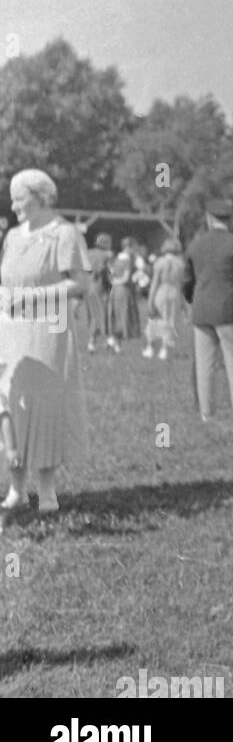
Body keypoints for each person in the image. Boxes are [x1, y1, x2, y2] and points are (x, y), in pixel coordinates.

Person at [0, 170, 90, 515]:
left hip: (49, 326)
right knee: (12, 403)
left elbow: (80, 284)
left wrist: (32, 297)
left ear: (39, 197)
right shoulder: (12, 236)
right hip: (11, 327)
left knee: (44, 405)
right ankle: (16, 487)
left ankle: (47, 490)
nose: (13, 206)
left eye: (19, 198)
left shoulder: (64, 233)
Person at [183, 198, 233, 422]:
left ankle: (206, 413)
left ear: (209, 218)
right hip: (229, 309)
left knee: (205, 364)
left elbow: (187, 281)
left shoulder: (196, 244)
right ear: (230, 220)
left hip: (201, 309)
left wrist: (193, 301)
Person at [145, 238, 186, 361]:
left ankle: (150, 347)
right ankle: (165, 349)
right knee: (171, 321)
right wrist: (184, 304)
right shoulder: (180, 264)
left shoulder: (159, 262)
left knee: (155, 320)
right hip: (174, 292)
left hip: (161, 291)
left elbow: (155, 282)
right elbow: (181, 284)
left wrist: (150, 299)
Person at [104, 236, 141, 350]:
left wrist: (114, 282)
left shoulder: (116, 259)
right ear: (129, 247)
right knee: (124, 316)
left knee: (116, 316)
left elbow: (110, 274)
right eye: (134, 248)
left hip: (114, 291)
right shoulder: (128, 260)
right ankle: (113, 341)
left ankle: (116, 345)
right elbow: (126, 278)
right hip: (124, 290)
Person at [84, 232, 113, 353]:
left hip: (87, 286)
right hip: (100, 287)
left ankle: (99, 341)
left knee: (92, 315)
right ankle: (94, 342)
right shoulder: (107, 255)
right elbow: (106, 272)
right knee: (101, 315)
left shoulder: (88, 253)